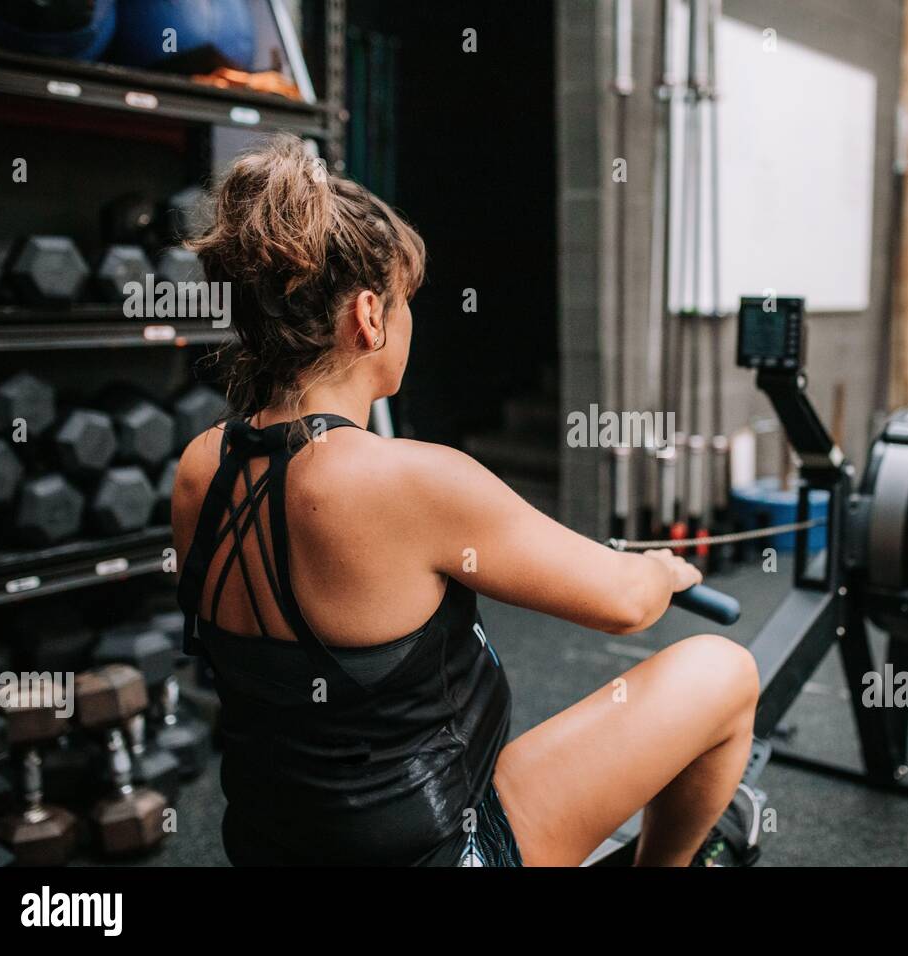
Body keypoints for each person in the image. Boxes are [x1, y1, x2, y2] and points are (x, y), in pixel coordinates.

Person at [171, 134, 760, 867]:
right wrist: (666, 573)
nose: (409, 322)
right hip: (441, 852)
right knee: (723, 670)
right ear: (368, 318)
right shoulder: (410, 480)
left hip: (273, 846)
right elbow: (625, 604)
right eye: (404, 303)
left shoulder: (201, 466)